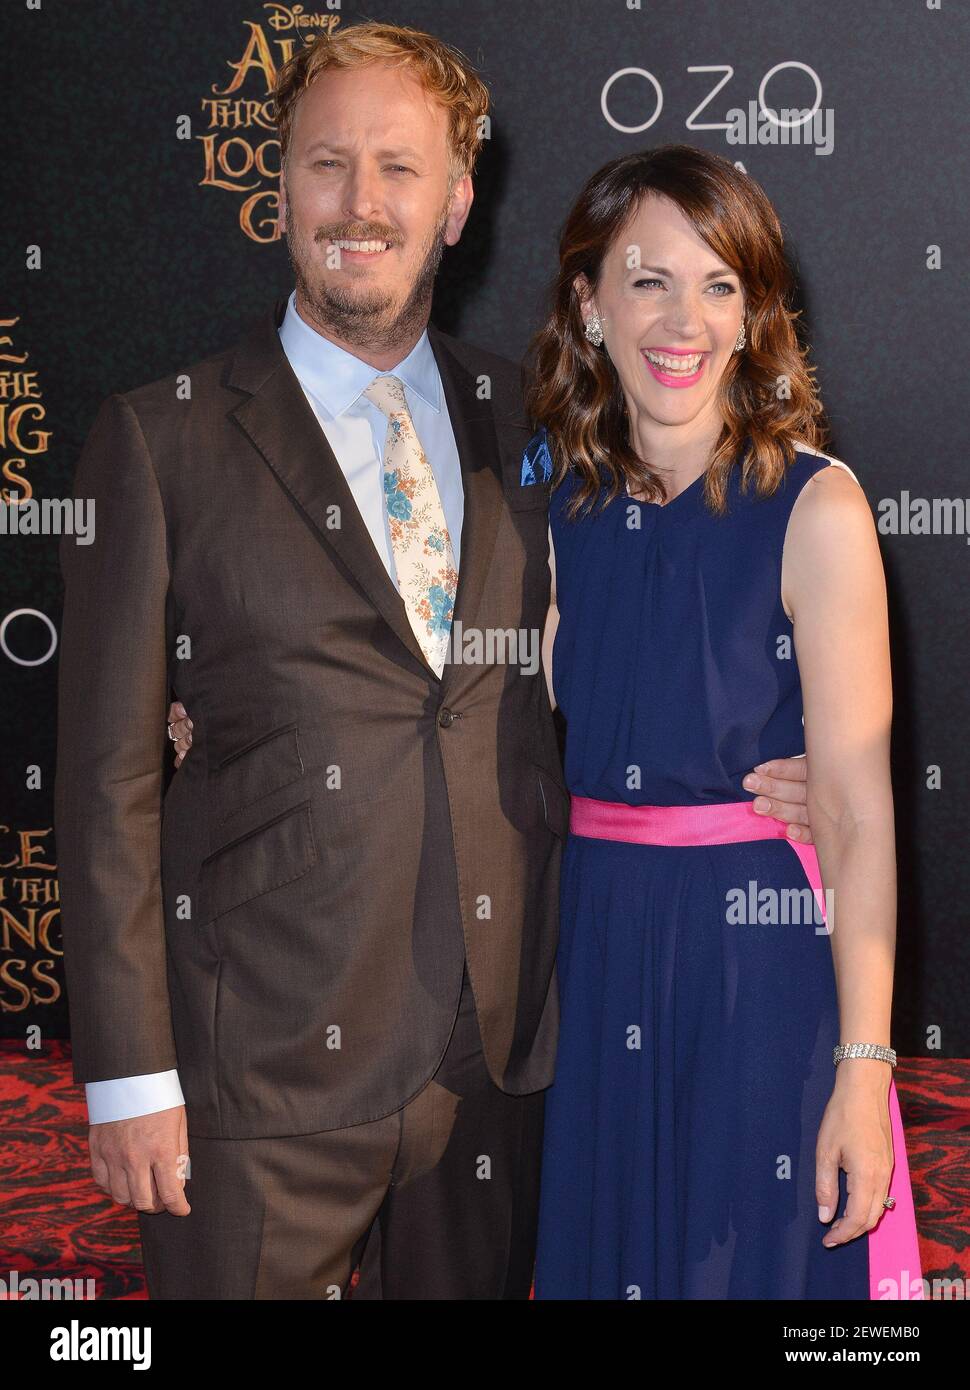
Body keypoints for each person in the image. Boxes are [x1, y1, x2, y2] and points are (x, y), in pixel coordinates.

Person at [55, 23, 813, 1300]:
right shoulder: (156, 442)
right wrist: (129, 1074)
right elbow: (104, 787)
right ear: (279, 188)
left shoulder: (541, 421)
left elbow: (668, 609)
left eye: (400, 169)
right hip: (258, 1080)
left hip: (498, 1067)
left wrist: (761, 779)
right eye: (327, 165)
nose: (362, 205)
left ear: (457, 201)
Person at [524, 145, 922, 1300]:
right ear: (590, 307)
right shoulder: (550, 505)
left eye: (719, 284)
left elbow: (853, 807)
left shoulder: (817, 503)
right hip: (591, 958)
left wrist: (862, 1065)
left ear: (752, 317)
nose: (681, 318)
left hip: (756, 966)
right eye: (647, 280)